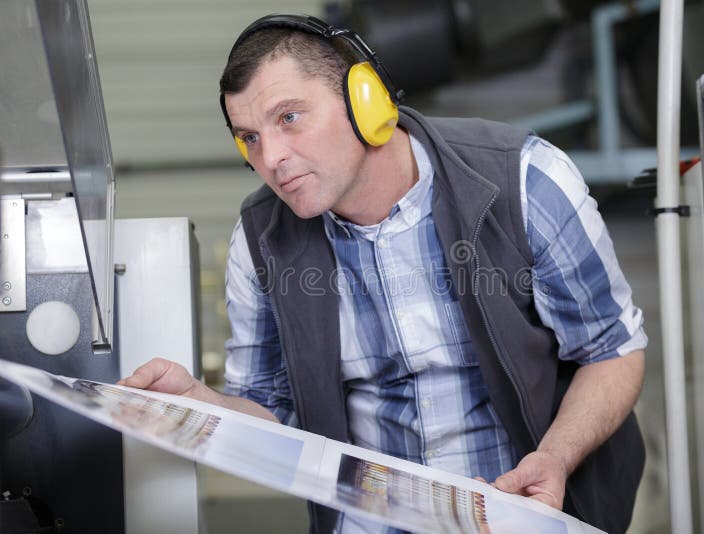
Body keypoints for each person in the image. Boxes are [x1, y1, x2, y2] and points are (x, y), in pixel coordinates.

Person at [119, 14, 647, 534]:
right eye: (249, 138)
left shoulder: (524, 181)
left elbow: (611, 354)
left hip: (524, 517)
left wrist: (553, 458)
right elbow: (272, 414)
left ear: (365, 100)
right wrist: (205, 408)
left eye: (289, 118)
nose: (272, 157)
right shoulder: (260, 242)